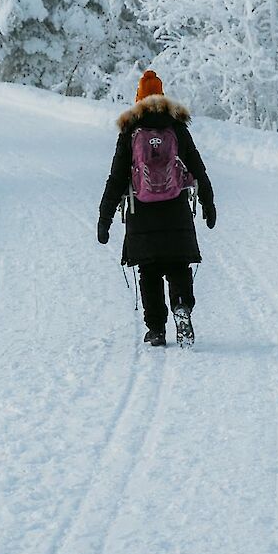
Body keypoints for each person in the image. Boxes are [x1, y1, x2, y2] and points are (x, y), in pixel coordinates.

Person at [98, 70, 216, 347]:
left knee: (149, 273)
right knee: (178, 265)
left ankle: (156, 330)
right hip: (176, 212)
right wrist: (208, 202)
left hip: (142, 215)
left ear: (138, 99)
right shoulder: (177, 127)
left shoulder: (130, 131)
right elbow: (198, 168)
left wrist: (104, 218)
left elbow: (116, 178)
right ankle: (181, 306)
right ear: (163, 96)